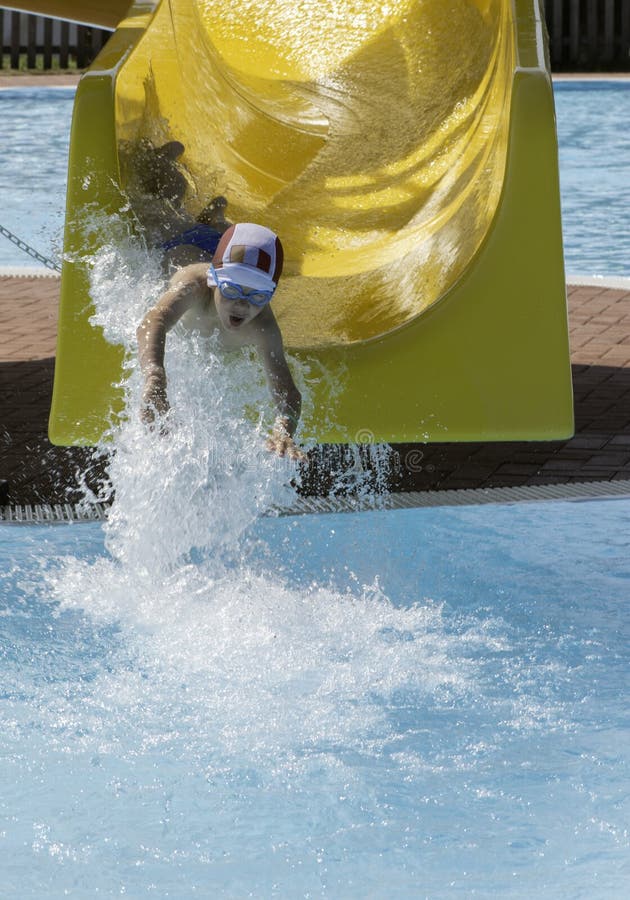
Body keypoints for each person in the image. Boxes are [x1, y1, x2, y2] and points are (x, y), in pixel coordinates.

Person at [137, 222, 305, 460]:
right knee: (152, 215)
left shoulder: (263, 326)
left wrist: (285, 429)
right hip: (182, 243)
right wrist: (155, 376)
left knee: (216, 223)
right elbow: (153, 321)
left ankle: (215, 218)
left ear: (269, 295)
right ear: (213, 280)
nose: (242, 304)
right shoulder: (194, 287)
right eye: (231, 290)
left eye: (257, 295)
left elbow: (287, 391)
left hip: (231, 253)